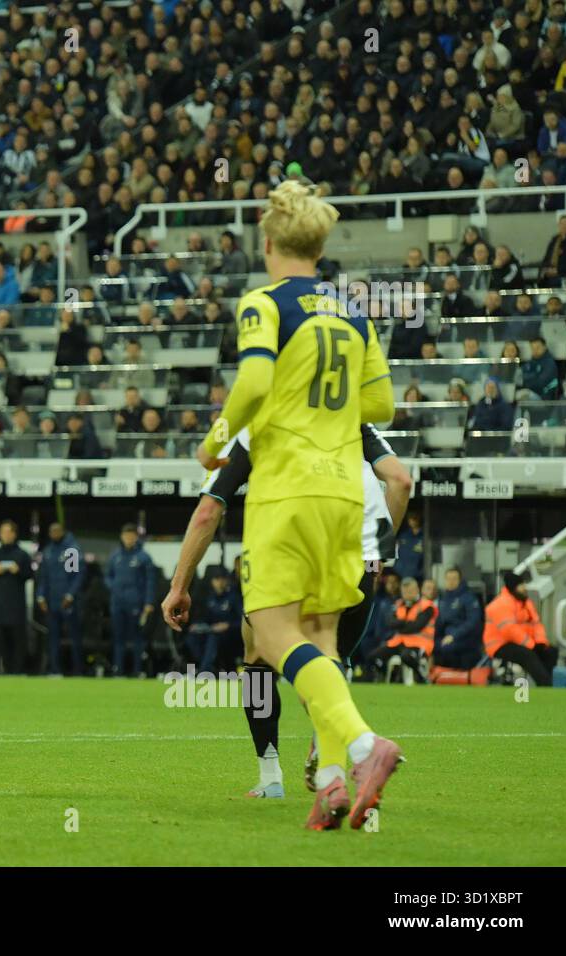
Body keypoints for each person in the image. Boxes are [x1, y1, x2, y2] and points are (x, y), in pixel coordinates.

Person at [194, 181, 399, 830]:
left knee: (273, 632)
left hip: (289, 489)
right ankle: (333, 785)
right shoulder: (353, 312)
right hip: (345, 492)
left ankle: (364, 747)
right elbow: (381, 409)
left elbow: (254, 381)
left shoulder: (263, 302)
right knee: (320, 638)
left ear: (269, 243)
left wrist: (215, 442)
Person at [163, 423, 410, 798]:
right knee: (325, 662)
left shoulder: (258, 422)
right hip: (356, 560)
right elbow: (400, 482)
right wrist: (379, 554)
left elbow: (207, 510)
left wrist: (179, 586)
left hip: (288, 551)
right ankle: (332, 777)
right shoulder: (353, 417)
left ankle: (286, 771)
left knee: (259, 653)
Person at [485, 569, 558, 685]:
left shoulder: (526, 603)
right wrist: (532, 645)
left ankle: (546, 684)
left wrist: (541, 642)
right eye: (521, 585)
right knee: (527, 655)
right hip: (500, 644)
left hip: (523, 643)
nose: (524, 588)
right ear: (512, 587)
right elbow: (510, 631)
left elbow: (537, 624)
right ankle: (545, 685)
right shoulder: (500, 604)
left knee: (550, 651)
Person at [104, 523, 156, 677]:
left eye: (131, 536)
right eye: (126, 536)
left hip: (136, 603)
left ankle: (138, 670)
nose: (128, 539)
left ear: (136, 537)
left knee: (137, 638)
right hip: (117, 603)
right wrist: (113, 587)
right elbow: (107, 576)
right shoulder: (115, 556)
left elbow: (150, 582)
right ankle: (118, 670)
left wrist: (148, 602)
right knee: (118, 637)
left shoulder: (144, 557)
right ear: (122, 537)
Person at [36, 522, 85, 676]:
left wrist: (70, 595)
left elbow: (76, 576)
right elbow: (43, 577)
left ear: (63, 532)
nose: (54, 533)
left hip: (68, 601)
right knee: (53, 637)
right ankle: (55, 670)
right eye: (51, 531)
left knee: (74, 637)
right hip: (52, 600)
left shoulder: (70, 550)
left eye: (57, 531)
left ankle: (78, 670)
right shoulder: (48, 551)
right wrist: (41, 595)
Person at [367, 577, 436, 682]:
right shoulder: (398, 604)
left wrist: (400, 623)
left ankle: (422, 677)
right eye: (405, 591)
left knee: (407, 657)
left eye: (410, 591)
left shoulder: (427, 606)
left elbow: (417, 626)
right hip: (398, 642)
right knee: (372, 657)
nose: (407, 594)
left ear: (417, 590)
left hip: (419, 643)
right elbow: (389, 622)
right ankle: (385, 675)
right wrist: (406, 623)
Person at [0, 520, 34, 675]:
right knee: (2, 640)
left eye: (9, 532)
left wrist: (18, 571)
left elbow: (30, 575)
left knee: (18, 640)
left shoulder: (22, 555)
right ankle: (6, 671)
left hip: (16, 606)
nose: (6, 535)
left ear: (14, 534)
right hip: (0, 606)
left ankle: (19, 670)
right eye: (3, 532)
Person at [434, 567, 484, 670]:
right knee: (431, 646)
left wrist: (454, 635)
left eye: (454, 579)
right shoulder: (443, 599)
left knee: (447, 648)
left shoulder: (469, 598)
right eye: (448, 579)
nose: (451, 582)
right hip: (446, 636)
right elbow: (440, 621)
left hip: (465, 638)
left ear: (460, 580)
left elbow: (473, 621)